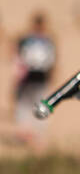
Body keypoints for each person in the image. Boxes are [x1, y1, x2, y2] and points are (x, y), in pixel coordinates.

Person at [11, 11, 56, 146]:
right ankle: (28, 134)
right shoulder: (31, 40)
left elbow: (52, 62)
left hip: (38, 80)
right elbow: (18, 60)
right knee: (26, 106)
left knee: (37, 105)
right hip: (28, 80)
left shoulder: (45, 40)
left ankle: (35, 136)